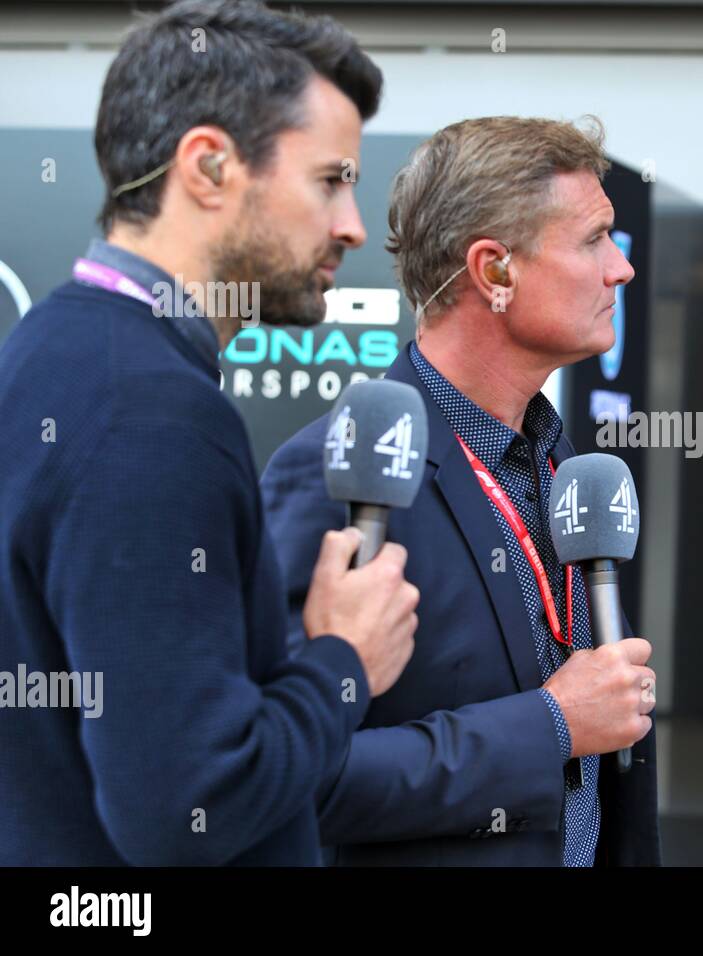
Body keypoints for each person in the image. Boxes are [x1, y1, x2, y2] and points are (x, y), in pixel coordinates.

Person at [0, 0, 417, 865]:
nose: (353, 226)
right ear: (209, 166)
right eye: (331, 179)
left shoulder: (52, 348)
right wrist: (343, 662)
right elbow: (188, 804)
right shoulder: (147, 413)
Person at [261, 116, 660, 865]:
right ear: (495, 271)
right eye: (592, 240)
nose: (621, 269)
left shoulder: (559, 462)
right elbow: (296, 777)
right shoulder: (337, 476)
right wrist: (551, 723)